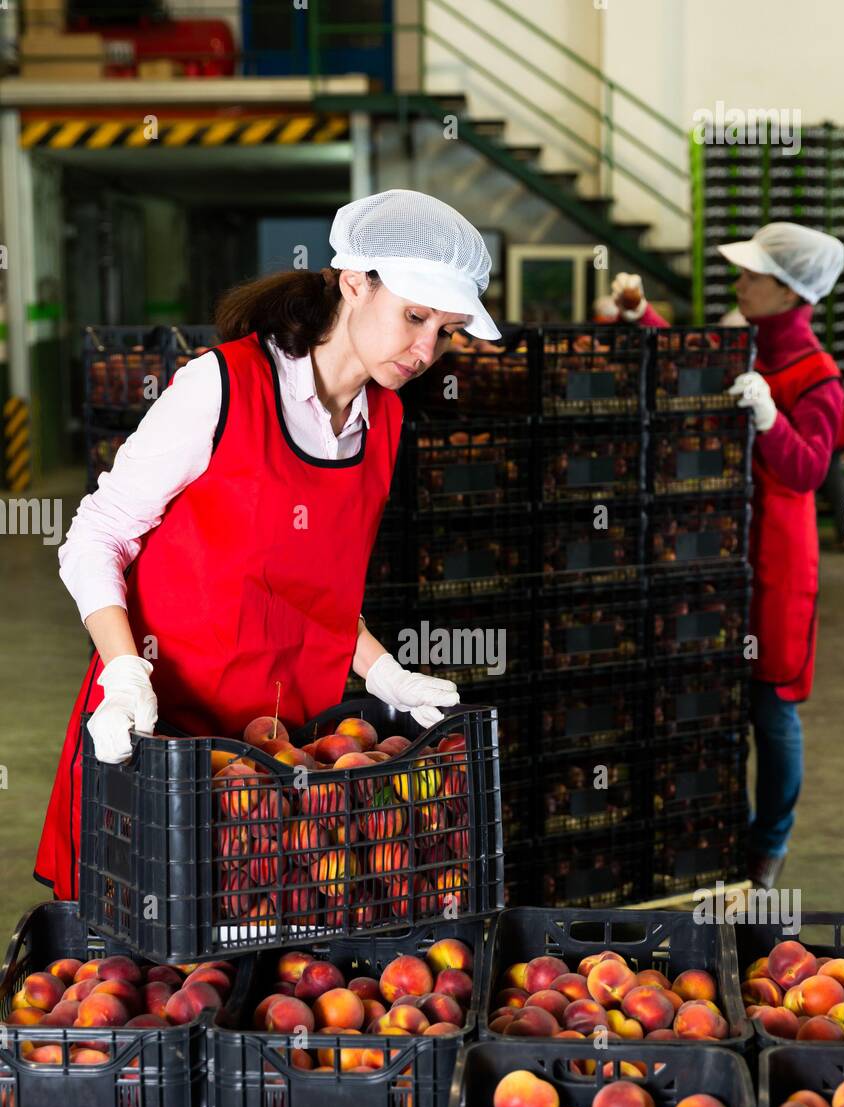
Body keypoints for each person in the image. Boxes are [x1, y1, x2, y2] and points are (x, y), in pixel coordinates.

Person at [35, 189, 501, 901]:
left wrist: (383, 673)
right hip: (165, 738)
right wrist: (124, 670)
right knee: (157, 948)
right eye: (414, 317)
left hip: (286, 751)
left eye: (448, 329)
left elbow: (312, 590)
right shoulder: (222, 387)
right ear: (354, 283)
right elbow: (96, 533)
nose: (426, 349)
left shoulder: (384, 421)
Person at [604, 228, 844, 889]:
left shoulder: (815, 377)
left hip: (775, 563)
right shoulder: (743, 344)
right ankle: (718, 835)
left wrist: (771, 420)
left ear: (788, 290)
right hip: (711, 556)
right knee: (711, 701)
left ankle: (767, 846)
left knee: (770, 710)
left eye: (751, 277)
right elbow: (695, 363)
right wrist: (640, 317)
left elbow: (807, 471)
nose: (738, 286)